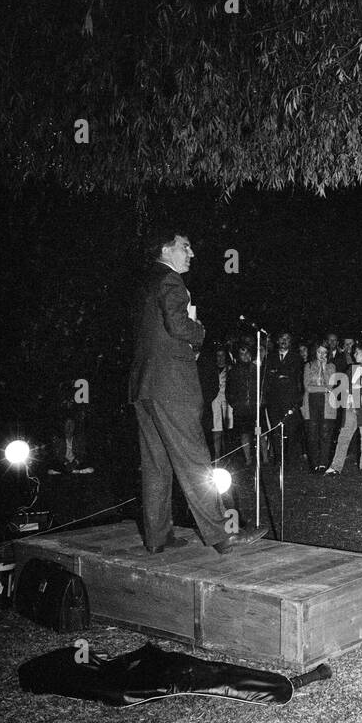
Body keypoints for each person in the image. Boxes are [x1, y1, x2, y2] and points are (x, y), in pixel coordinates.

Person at [129, 231, 265, 555]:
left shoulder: (146, 284)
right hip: (172, 387)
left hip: (144, 386)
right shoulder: (172, 281)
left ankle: (157, 536)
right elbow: (179, 327)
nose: (191, 252)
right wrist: (200, 331)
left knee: (156, 465)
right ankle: (222, 534)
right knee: (195, 461)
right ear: (165, 249)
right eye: (184, 246)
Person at [327, 346, 362, 475]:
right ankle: (335, 466)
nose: (354, 355)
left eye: (358, 353)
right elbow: (345, 386)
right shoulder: (351, 368)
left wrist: (357, 389)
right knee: (343, 437)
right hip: (349, 407)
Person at [264, 331, 303, 465]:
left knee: (290, 430)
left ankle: (289, 458)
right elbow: (267, 377)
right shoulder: (270, 357)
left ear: (291, 341)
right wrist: (281, 376)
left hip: (290, 399)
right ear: (277, 341)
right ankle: (278, 458)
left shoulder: (296, 358)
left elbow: (295, 377)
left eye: (287, 339)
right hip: (273, 400)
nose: (284, 341)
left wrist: (278, 374)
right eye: (281, 338)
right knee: (275, 430)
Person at [301, 342, 337, 472]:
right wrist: (324, 389)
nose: (322, 355)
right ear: (314, 352)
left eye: (324, 352)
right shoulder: (308, 365)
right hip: (311, 404)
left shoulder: (331, 366)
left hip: (326, 405)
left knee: (325, 434)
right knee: (312, 434)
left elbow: (331, 385)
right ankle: (314, 463)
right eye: (319, 352)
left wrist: (323, 368)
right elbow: (307, 387)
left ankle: (323, 463)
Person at [226, 343, 259, 466]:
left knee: (259, 431)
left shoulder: (256, 369)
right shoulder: (234, 371)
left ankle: (264, 458)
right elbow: (229, 391)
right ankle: (248, 458)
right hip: (241, 408)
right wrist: (235, 404)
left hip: (255, 406)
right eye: (242, 354)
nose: (245, 356)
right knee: (244, 433)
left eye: (247, 353)